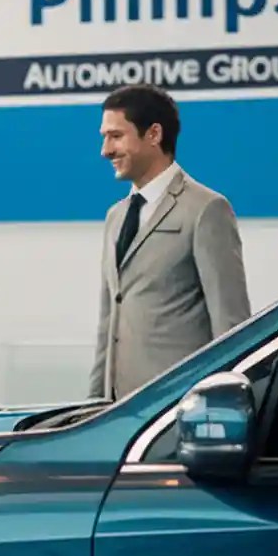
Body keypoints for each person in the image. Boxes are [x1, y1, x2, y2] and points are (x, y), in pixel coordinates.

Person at [89, 84, 251, 402]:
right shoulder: (115, 216)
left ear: (154, 134)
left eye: (116, 136)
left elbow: (231, 325)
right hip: (119, 412)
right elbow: (108, 324)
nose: (105, 150)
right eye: (104, 137)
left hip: (180, 407)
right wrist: (94, 404)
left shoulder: (206, 209)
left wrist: (223, 407)